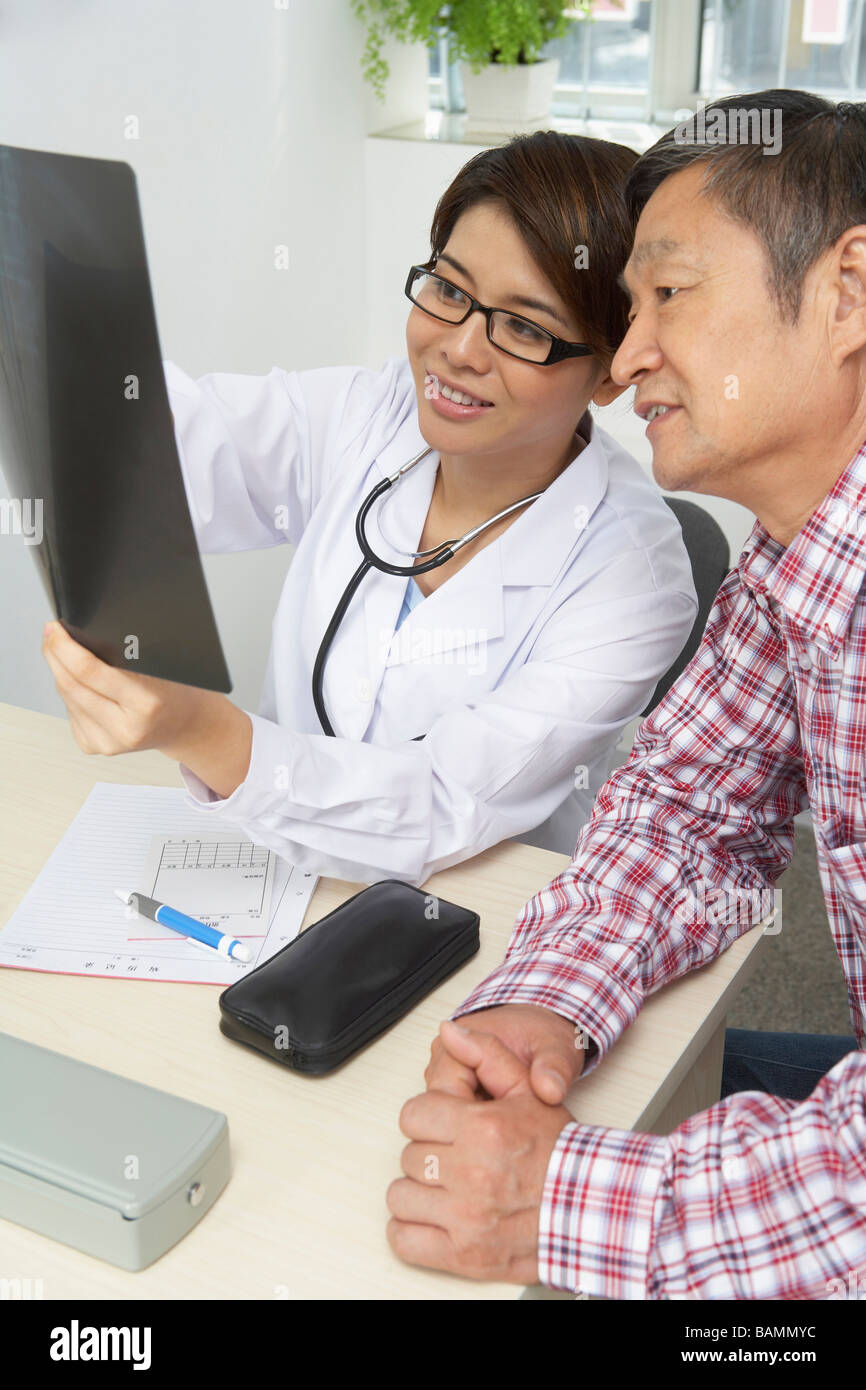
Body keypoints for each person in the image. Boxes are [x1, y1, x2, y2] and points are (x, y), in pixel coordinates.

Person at [390, 89, 866, 1299]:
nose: (630, 351)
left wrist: (558, 1206)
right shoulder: (790, 557)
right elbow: (684, 812)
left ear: (848, 291)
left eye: (667, 293)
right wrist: (548, 1001)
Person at [41, 131, 696, 887]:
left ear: (612, 371)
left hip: (477, 909)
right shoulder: (369, 411)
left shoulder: (633, 578)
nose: (458, 349)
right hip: (272, 872)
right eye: (450, 290)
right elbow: (162, 451)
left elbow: (443, 800)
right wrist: (53, 323)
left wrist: (199, 729)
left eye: (524, 327)